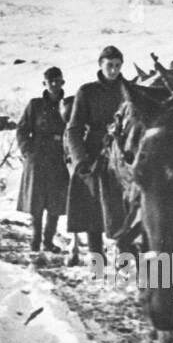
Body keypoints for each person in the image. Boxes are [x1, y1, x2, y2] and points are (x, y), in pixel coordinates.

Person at [64, 45, 125, 265]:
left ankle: (124, 265)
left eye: (117, 66)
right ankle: (97, 263)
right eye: (109, 65)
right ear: (100, 65)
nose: (113, 70)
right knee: (92, 212)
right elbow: (73, 129)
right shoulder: (87, 92)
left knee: (125, 210)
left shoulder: (129, 90)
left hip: (124, 154)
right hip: (94, 154)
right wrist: (80, 159)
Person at [15, 67, 71, 251]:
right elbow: (22, 129)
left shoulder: (69, 104)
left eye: (58, 80)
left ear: (63, 82)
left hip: (58, 158)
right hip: (37, 157)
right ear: (44, 84)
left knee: (55, 202)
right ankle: (36, 238)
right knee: (36, 202)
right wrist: (27, 151)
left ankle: (48, 240)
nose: (54, 84)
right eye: (50, 81)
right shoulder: (35, 105)